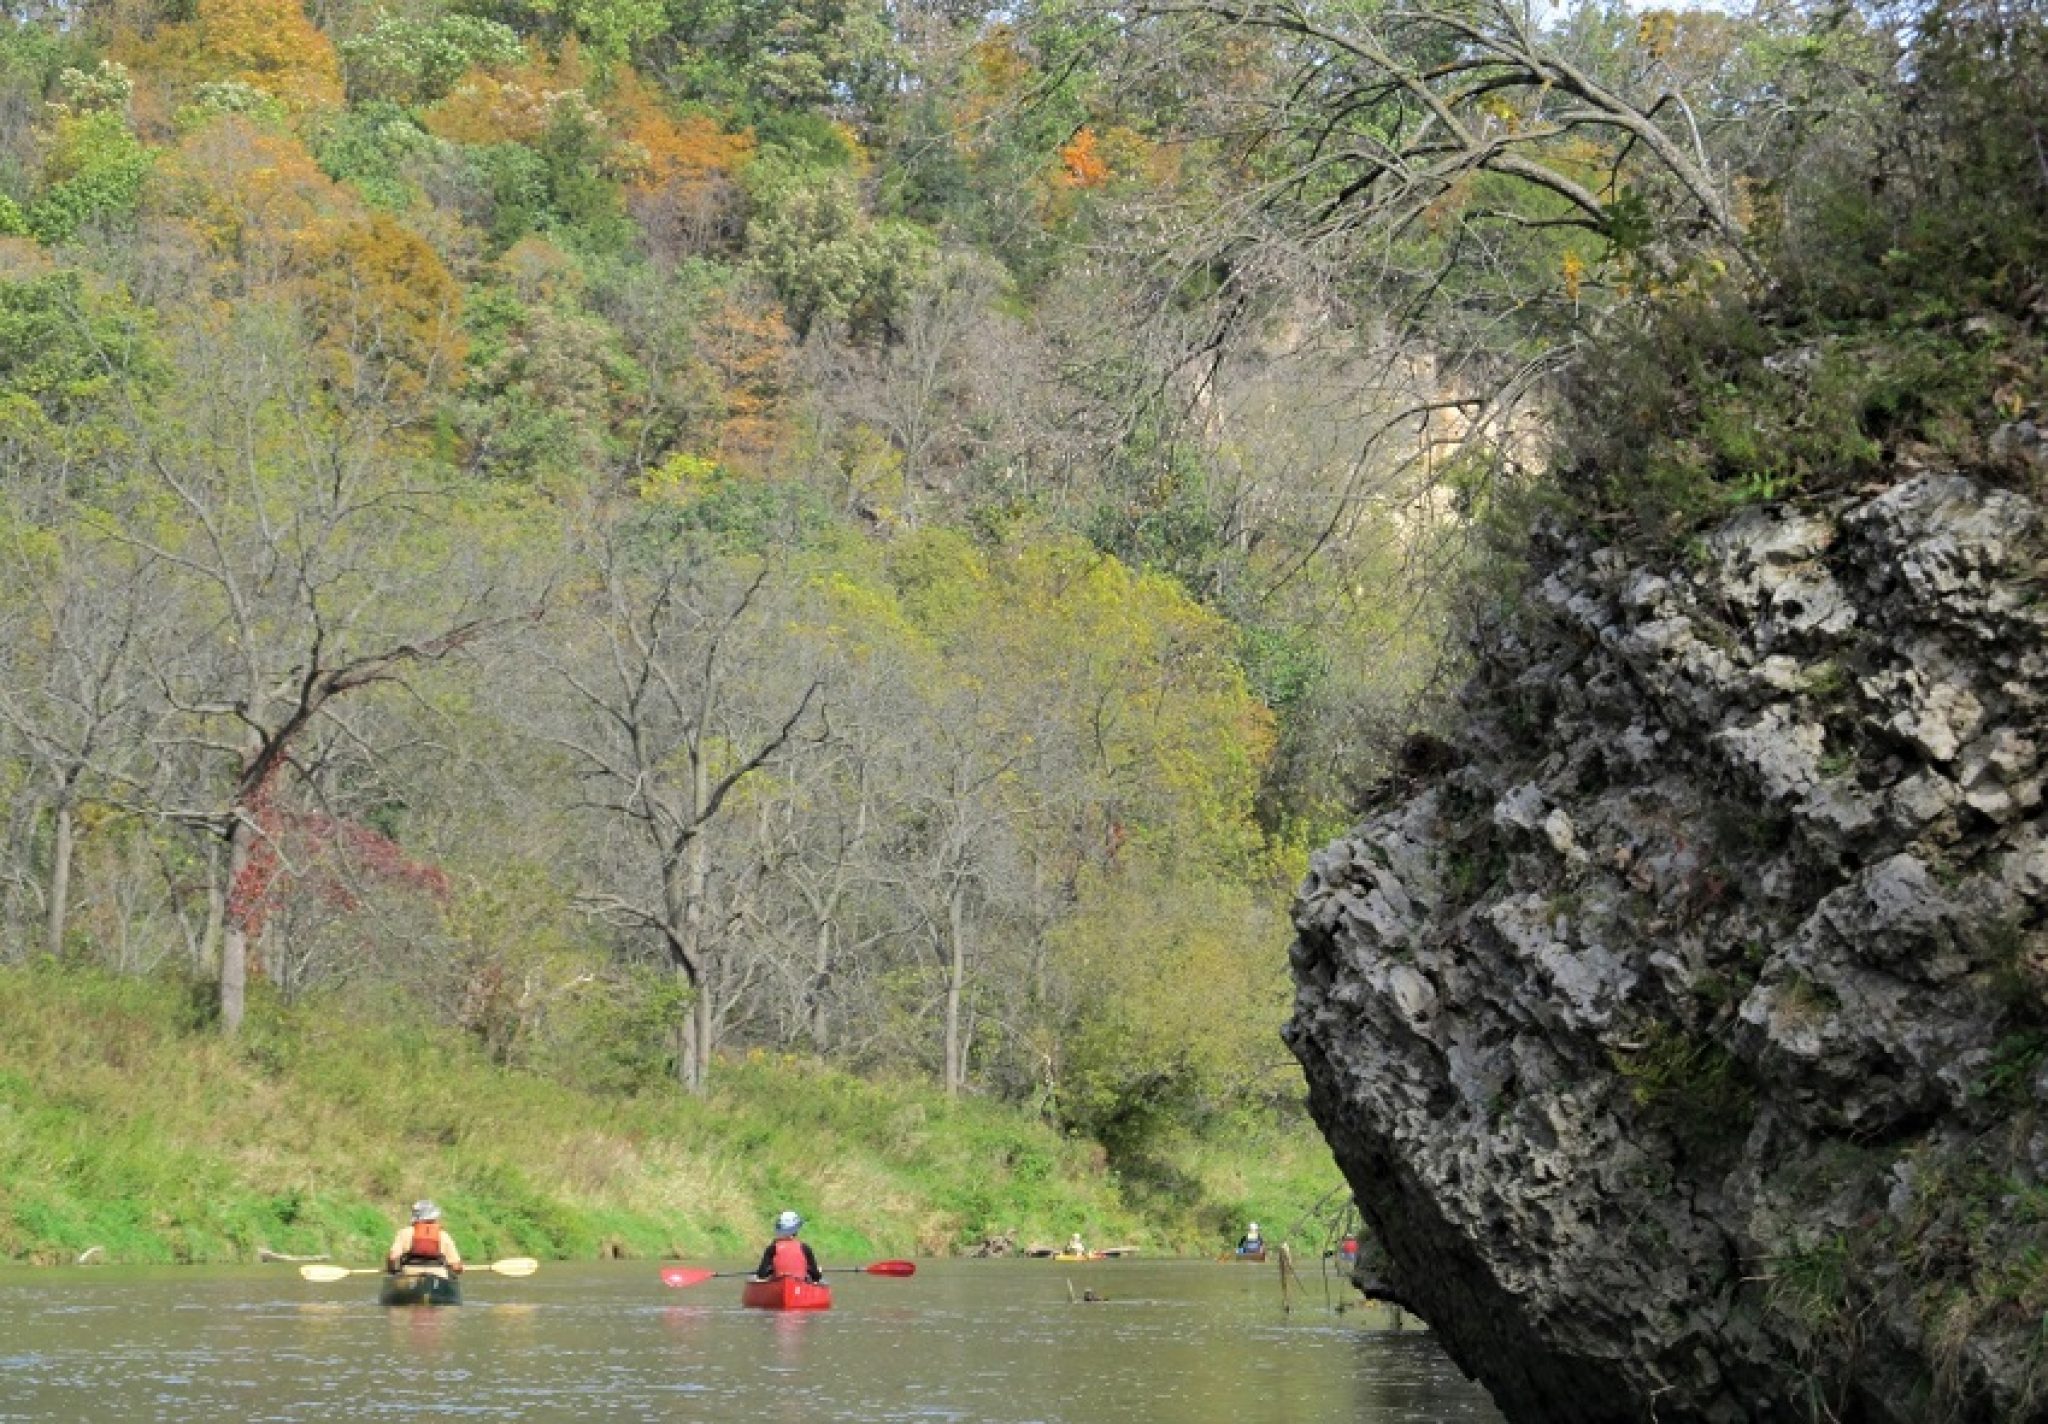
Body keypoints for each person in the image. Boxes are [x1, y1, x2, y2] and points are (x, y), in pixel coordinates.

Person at [387, 1200, 463, 1275]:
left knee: (402, 1278)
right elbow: (456, 1266)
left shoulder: (405, 1232)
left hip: (410, 1273)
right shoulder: (443, 1235)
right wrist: (459, 1269)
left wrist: (391, 1270)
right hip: (437, 1273)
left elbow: (392, 1257)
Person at [754, 1209, 822, 1282]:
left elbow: (761, 1275)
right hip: (799, 1287)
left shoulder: (772, 1248)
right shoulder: (805, 1248)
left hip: (777, 1284)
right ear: (796, 1230)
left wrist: (769, 1271)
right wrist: (818, 1272)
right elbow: (816, 1277)